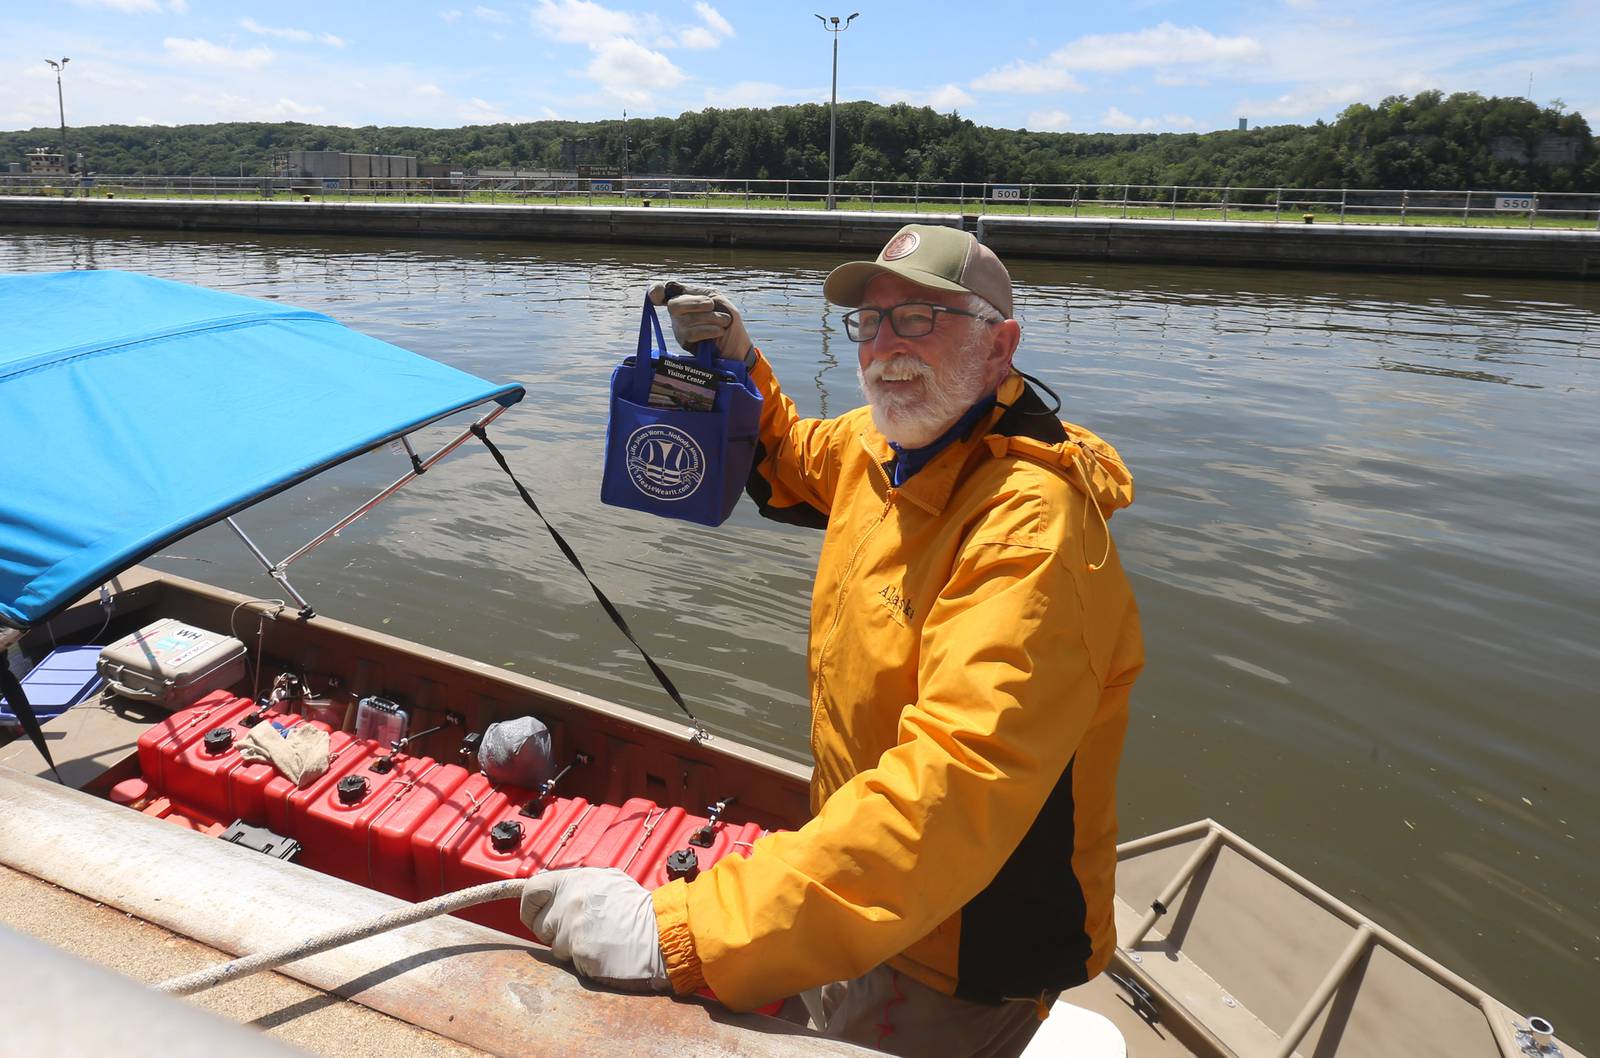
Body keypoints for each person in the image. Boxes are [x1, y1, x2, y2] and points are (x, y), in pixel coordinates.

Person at [523, 224, 1144, 1057]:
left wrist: (690, 933)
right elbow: (785, 454)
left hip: (950, 953)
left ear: (1000, 347)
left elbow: (950, 798)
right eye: (871, 321)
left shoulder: (1030, 531)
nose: (887, 346)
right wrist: (738, 357)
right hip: (857, 892)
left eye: (922, 318)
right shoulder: (880, 446)